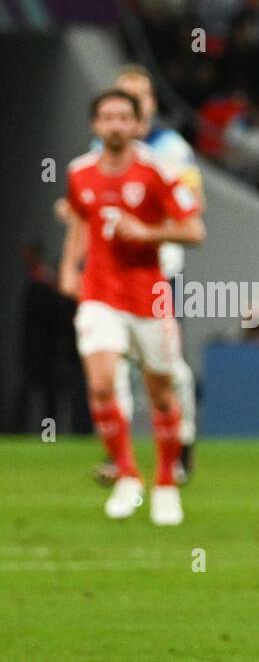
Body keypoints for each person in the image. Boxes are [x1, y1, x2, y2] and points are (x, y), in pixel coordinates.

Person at [59, 89, 206, 525]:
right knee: (102, 385)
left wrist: (145, 233)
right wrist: (69, 266)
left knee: (161, 392)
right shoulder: (80, 173)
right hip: (100, 294)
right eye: (108, 117)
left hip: (148, 295)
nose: (116, 125)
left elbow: (193, 229)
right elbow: (82, 221)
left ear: (138, 124)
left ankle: (165, 481)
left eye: (125, 117)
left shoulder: (157, 170)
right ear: (95, 125)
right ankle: (126, 474)